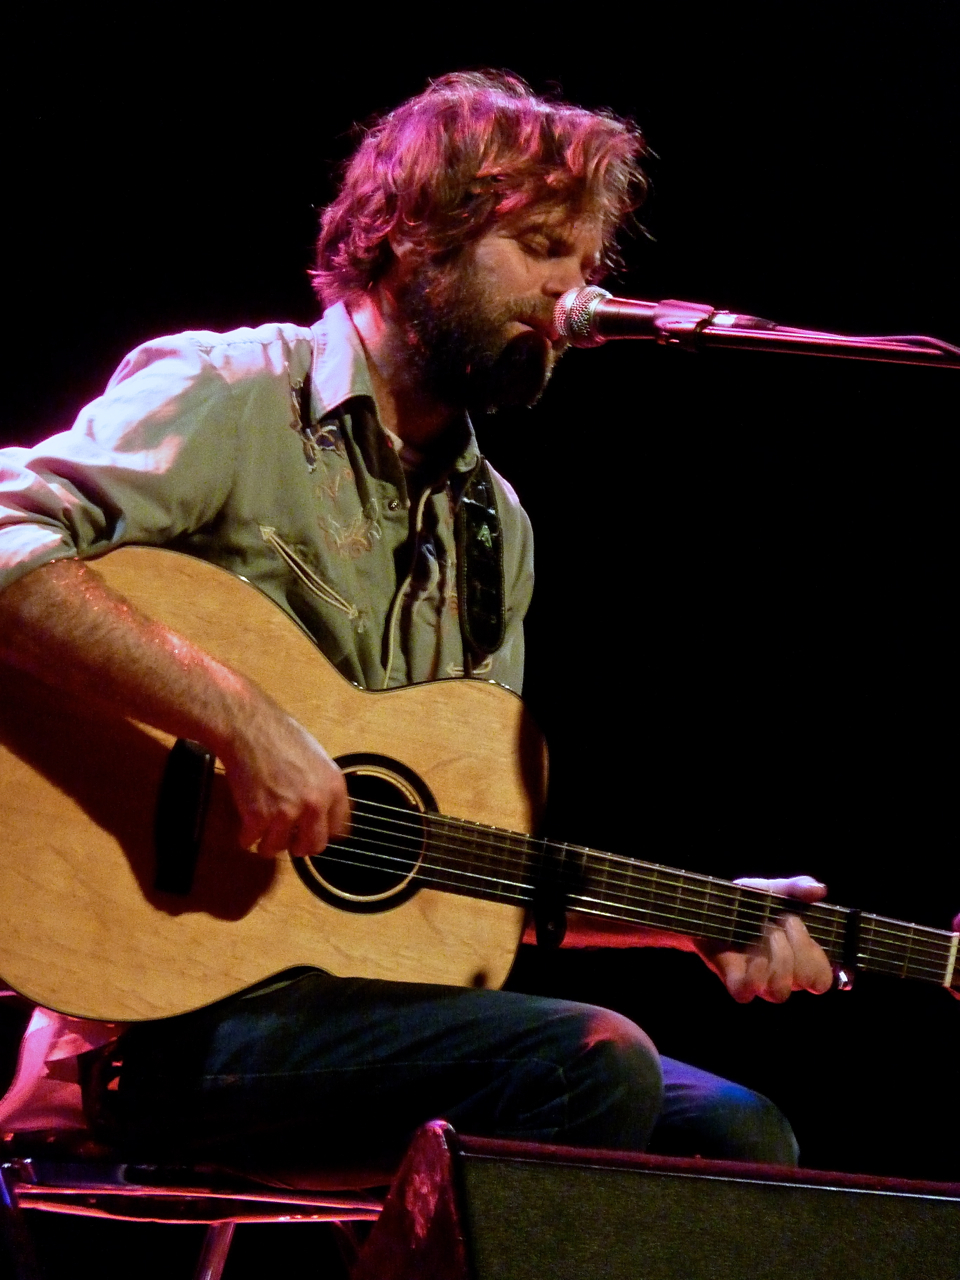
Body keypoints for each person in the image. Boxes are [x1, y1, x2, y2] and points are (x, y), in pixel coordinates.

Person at [0, 72, 832, 1180]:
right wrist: (241, 719)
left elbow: (438, 854)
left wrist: (693, 917)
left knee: (739, 1135)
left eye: (586, 262)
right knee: (591, 1062)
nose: (571, 292)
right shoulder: (233, 392)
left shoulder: (497, 529)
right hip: (151, 1025)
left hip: (355, 1009)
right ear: (412, 235)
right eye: (540, 247)